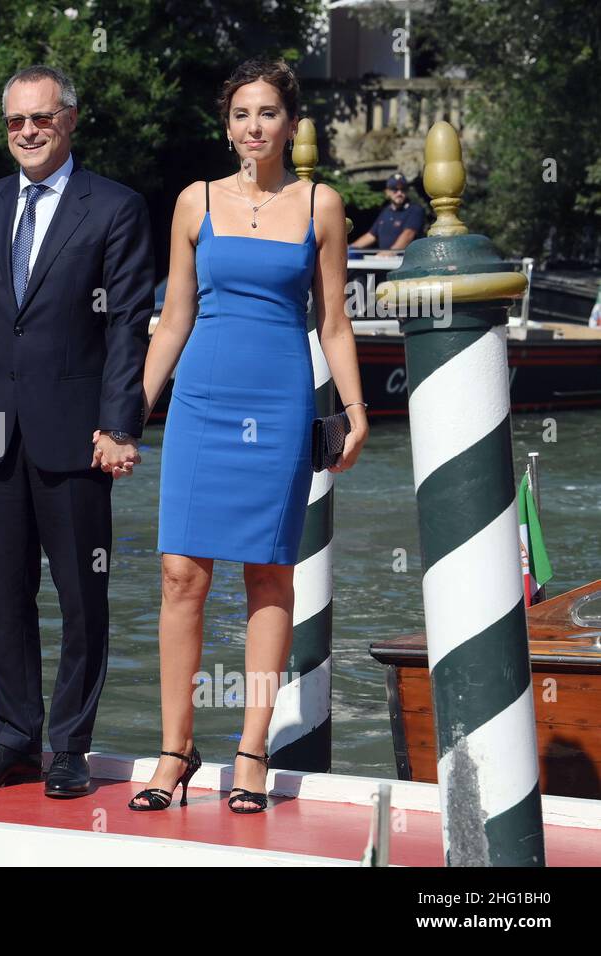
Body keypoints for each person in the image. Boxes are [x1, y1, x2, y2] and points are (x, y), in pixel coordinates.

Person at [133, 59, 368, 815]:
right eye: (241, 113)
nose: (253, 126)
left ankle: (251, 750)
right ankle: (176, 749)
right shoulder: (193, 204)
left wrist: (356, 409)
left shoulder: (321, 205)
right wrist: (131, 406)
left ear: (290, 125)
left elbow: (332, 321)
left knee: (268, 576)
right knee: (180, 575)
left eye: (268, 113)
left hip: (278, 402)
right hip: (201, 400)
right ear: (226, 123)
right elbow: (173, 319)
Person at [0, 65, 153, 799]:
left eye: (41, 119)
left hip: (78, 435)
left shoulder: (116, 207)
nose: (27, 132)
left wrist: (119, 424)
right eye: (15, 122)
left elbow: (129, 325)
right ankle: (13, 739)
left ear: (69, 120)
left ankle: (69, 747)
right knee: (5, 595)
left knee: (80, 594)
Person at [351, 171, 425, 252]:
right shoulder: (385, 211)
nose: (399, 193)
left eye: (403, 189)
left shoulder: (415, 210)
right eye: (395, 189)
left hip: (405, 261)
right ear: (387, 192)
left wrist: (391, 253)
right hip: (386, 261)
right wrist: (351, 248)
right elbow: (371, 235)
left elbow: (408, 234)